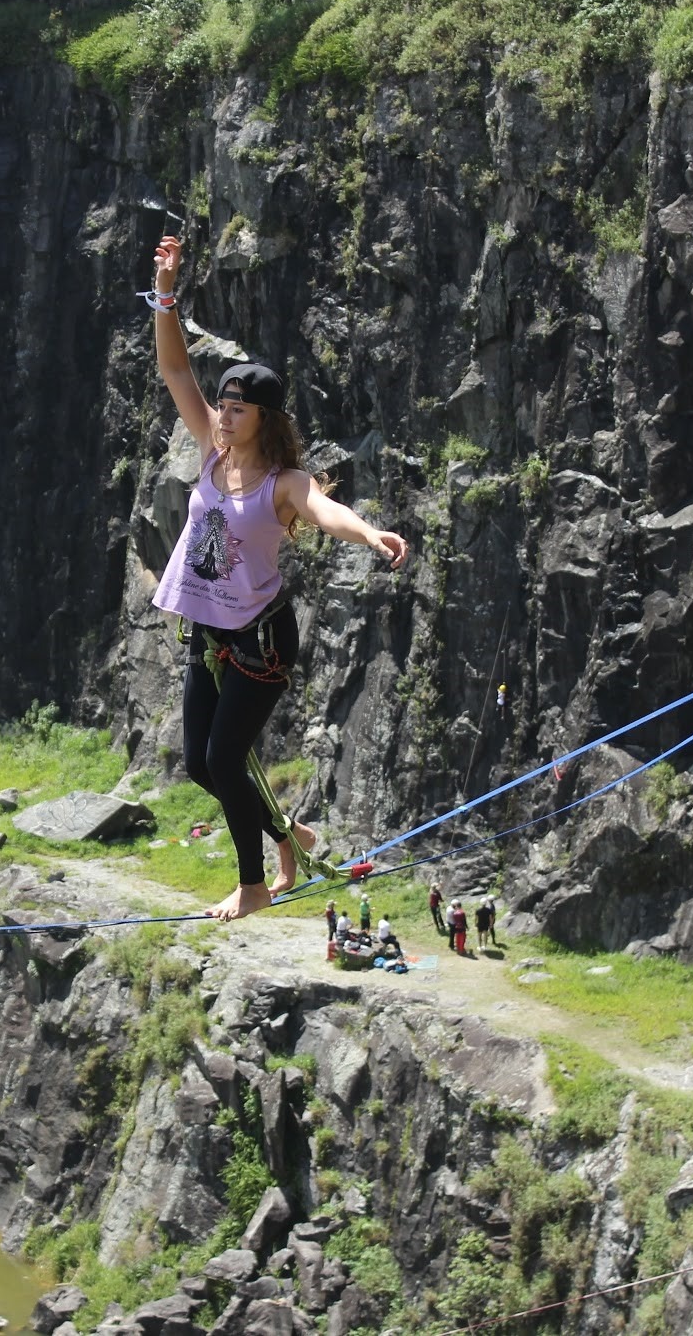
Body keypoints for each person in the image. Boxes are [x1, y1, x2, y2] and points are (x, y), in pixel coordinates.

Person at [147, 233, 407, 921]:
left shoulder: (282, 482)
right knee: (202, 763)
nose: (223, 414)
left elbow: (327, 510)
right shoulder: (211, 450)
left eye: (237, 407)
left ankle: (255, 882)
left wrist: (371, 534)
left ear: (264, 416)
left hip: (260, 641)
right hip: (207, 631)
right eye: (223, 404)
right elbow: (175, 370)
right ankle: (292, 835)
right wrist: (166, 295)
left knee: (227, 760)